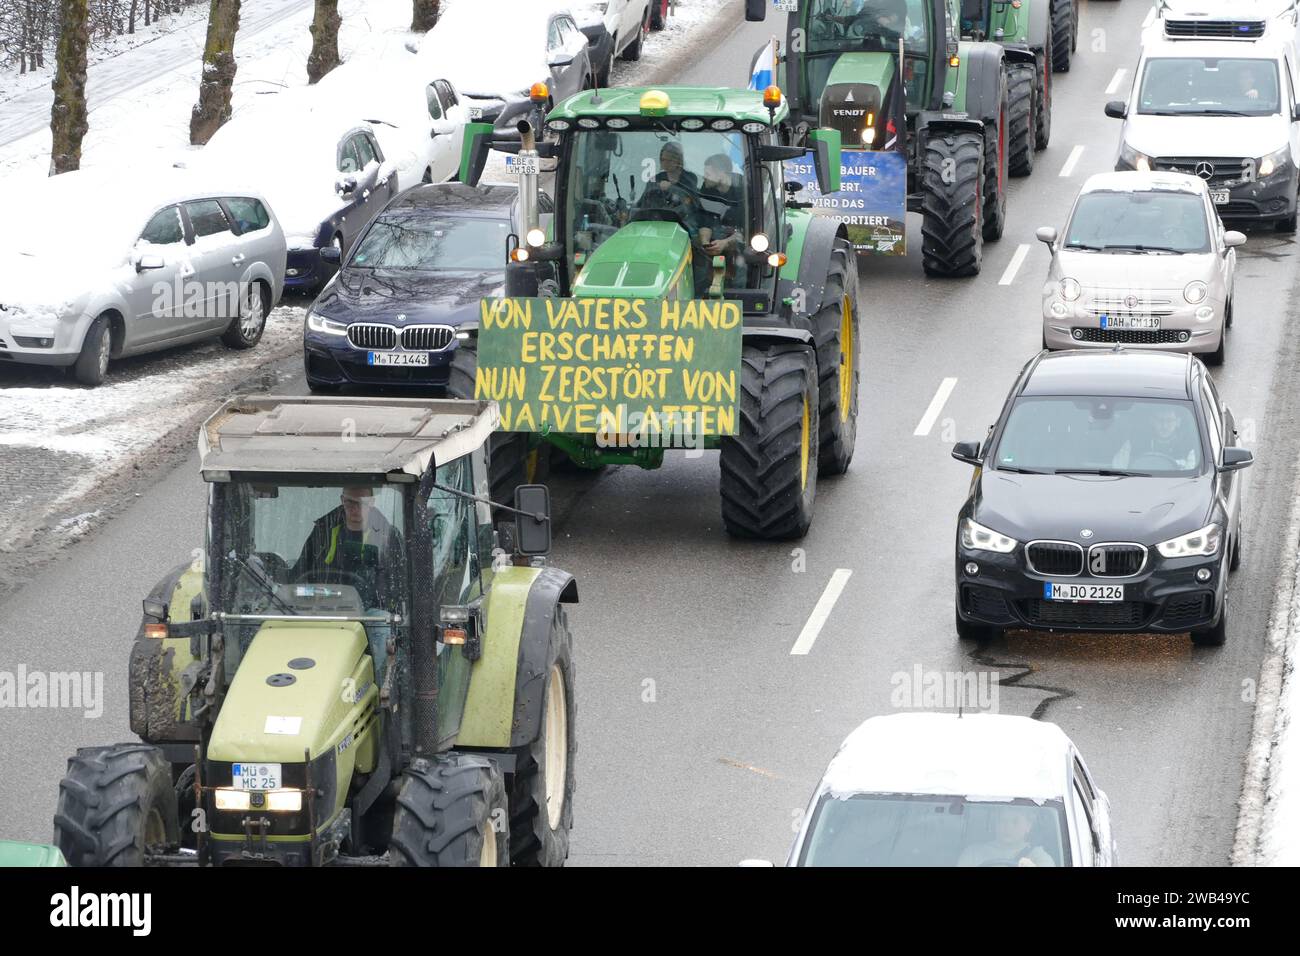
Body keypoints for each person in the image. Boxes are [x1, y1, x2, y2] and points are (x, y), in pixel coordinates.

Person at [290, 486, 404, 607]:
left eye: (361, 503)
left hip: (372, 614)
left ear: (372, 502)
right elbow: (300, 571)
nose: (355, 508)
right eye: (350, 502)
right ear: (342, 500)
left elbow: (399, 581)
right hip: (323, 608)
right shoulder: (323, 532)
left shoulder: (388, 536)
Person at [691, 153, 746, 293]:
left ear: (721, 174)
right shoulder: (707, 188)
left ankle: (738, 296)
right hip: (716, 234)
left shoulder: (744, 191)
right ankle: (697, 293)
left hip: (740, 238)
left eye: (707, 173)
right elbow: (706, 219)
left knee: (743, 260)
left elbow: (747, 230)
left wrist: (725, 243)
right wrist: (705, 243)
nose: (704, 176)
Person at [957, 807, 1057, 867]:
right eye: (1002, 820)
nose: (1007, 827)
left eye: (1015, 822)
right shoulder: (973, 854)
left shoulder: (1039, 858)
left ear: (1028, 826)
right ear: (995, 823)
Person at [1112, 404, 1199, 471]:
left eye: (1169, 421)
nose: (1164, 426)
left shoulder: (1189, 447)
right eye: (1160, 420)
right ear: (1152, 421)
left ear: (1178, 422)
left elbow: (1190, 478)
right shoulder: (1134, 443)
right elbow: (1118, 468)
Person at [636, 141, 699, 217]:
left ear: (678, 160)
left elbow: (693, 204)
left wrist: (671, 188)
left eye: (670, 160)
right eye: (663, 160)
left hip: (684, 221)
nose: (665, 163)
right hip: (657, 220)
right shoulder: (655, 179)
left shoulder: (690, 178)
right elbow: (642, 204)